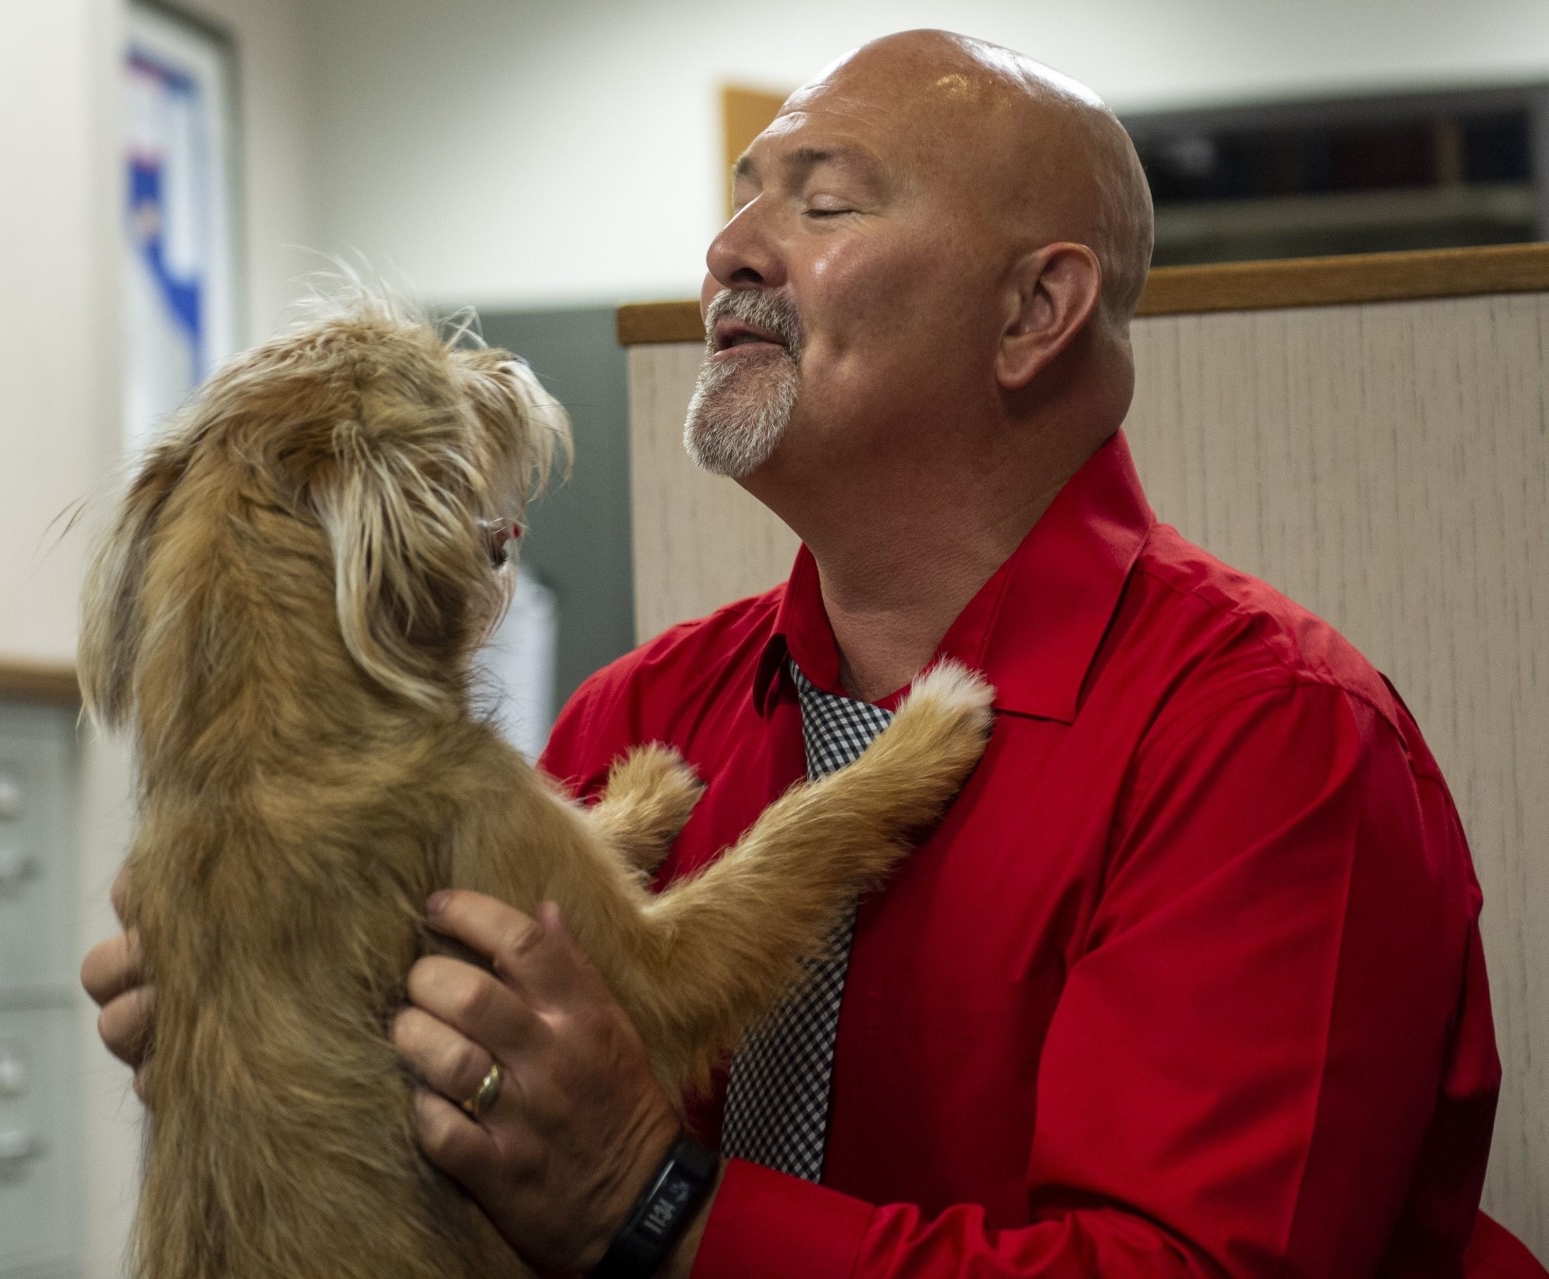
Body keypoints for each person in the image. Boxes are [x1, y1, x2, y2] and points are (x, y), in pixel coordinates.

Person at [84, 30, 1536, 1278]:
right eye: (738, 203)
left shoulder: (1269, 746)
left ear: (1037, 310)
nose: (727, 251)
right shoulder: (642, 713)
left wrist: (660, 1207)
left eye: (823, 201)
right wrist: (287, 1047)